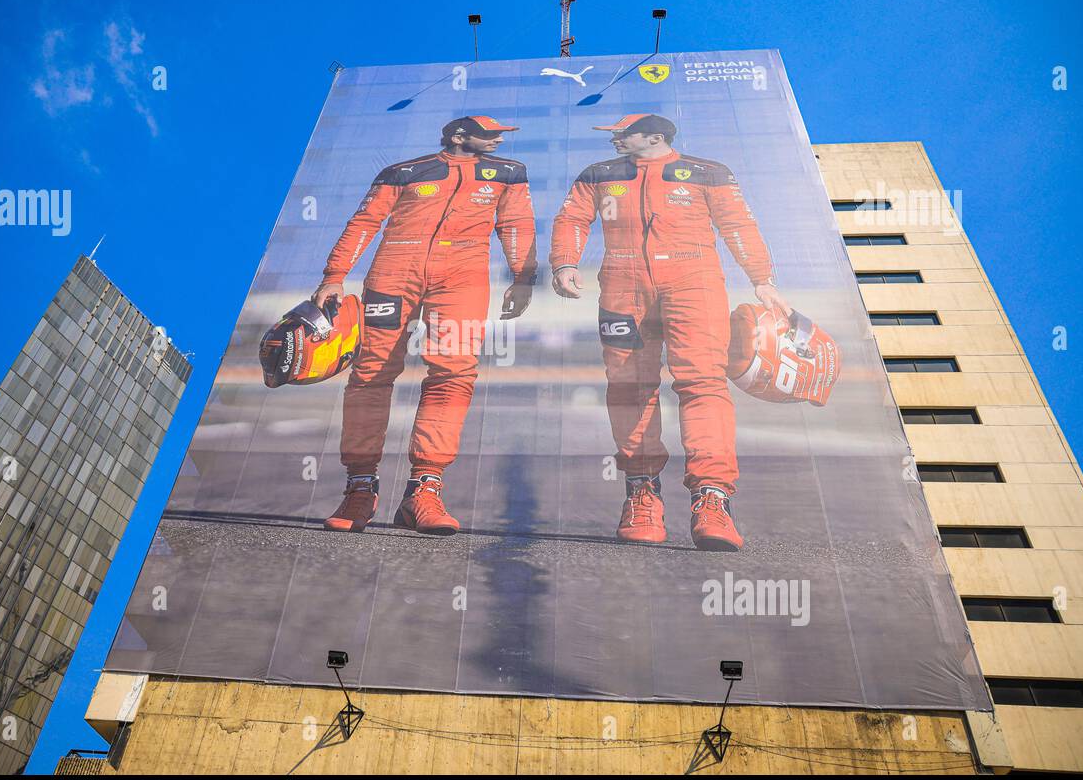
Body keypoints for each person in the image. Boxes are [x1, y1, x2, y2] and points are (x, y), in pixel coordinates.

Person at [549, 114, 790, 548]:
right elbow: (571, 220)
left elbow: (738, 225)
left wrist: (762, 278)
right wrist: (565, 262)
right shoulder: (598, 175)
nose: (617, 141)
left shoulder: (708, 171)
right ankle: (642, 493)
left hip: (694, 279)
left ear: (655, 137)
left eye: (624, 135)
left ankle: (712, 497)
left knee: (702, 381)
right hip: (622, 284)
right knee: (628, 386)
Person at [313, 115, 537, 535]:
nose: (496, 140)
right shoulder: (403, 172)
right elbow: (364, 223)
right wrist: (334, 275)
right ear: (457, 136)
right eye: (489, 134)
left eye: (499, 136)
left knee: (453, 372)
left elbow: (516, 225)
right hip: (393, 271)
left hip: (463, 276)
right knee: (371, 374)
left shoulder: (509, 173)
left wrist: (523, 278)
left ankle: (425, 488)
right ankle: (359, 488)